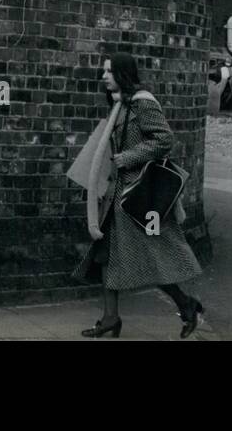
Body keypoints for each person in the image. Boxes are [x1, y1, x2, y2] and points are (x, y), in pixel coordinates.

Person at [71, 51, 205, 338]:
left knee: (149, 257)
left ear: (122, 73)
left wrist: (129, 157)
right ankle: (110, 318)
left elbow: (164, 139)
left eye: (109, 71)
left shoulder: (142, 103)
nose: (103, 76)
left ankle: (186, 304)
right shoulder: (120, 104)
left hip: (137, 196)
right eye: (103, 72)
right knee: (107, 255)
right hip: (118, 195)